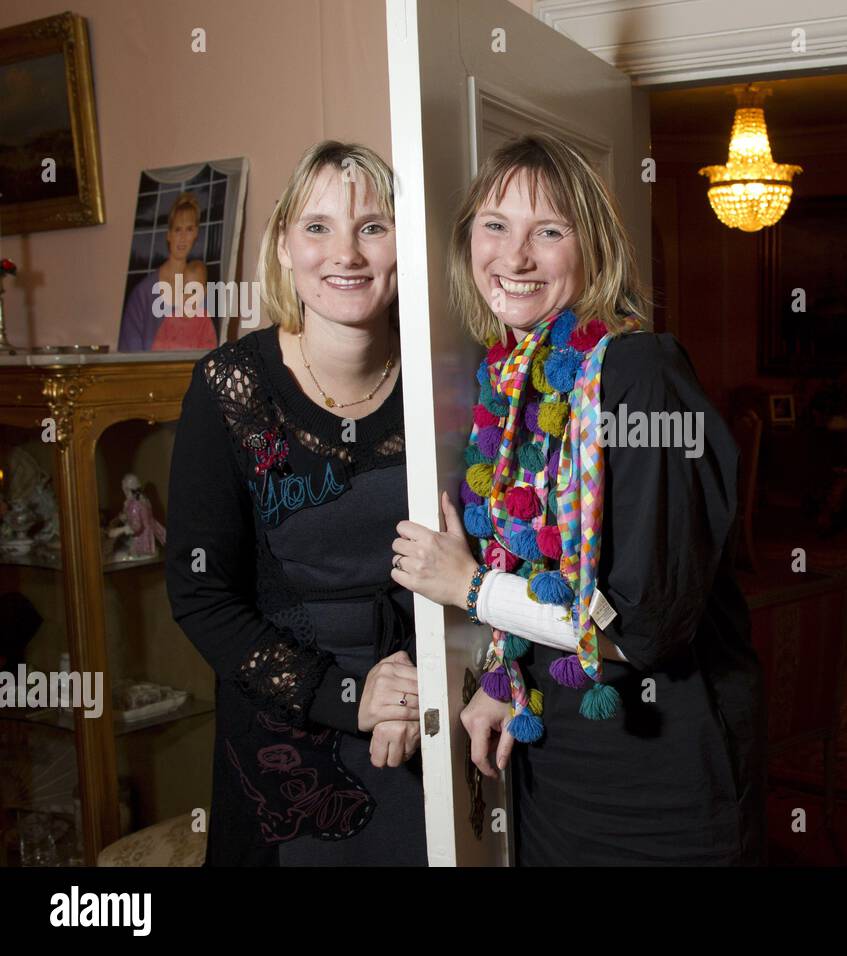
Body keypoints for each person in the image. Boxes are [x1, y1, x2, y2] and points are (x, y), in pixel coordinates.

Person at [391, 132, 766, 865]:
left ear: (591, 250)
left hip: (662, 782)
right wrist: (505, 676)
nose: (515, 256)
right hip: (557, 758)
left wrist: (468, 587)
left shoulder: (640, 375)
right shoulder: (512, 377)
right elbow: (549, 570)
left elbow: (644, 626)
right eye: (495, 226)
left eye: (549, 232)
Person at [165, 141, 425, 866]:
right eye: (317, 227)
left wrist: (419, 679)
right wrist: (346, 698)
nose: (346, 252)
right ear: (283, 245)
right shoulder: (229, 386)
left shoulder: (446, 375)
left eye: (373, 226)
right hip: (284, 737)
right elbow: (200, 594)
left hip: (423, 712)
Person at [118, 191, 217, 352]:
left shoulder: (199, 288)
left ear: (196, 234)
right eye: (178, 229)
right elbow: (129, 353)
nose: (183, 237)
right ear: (169, 234)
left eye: (189, 229)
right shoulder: (144, 293)